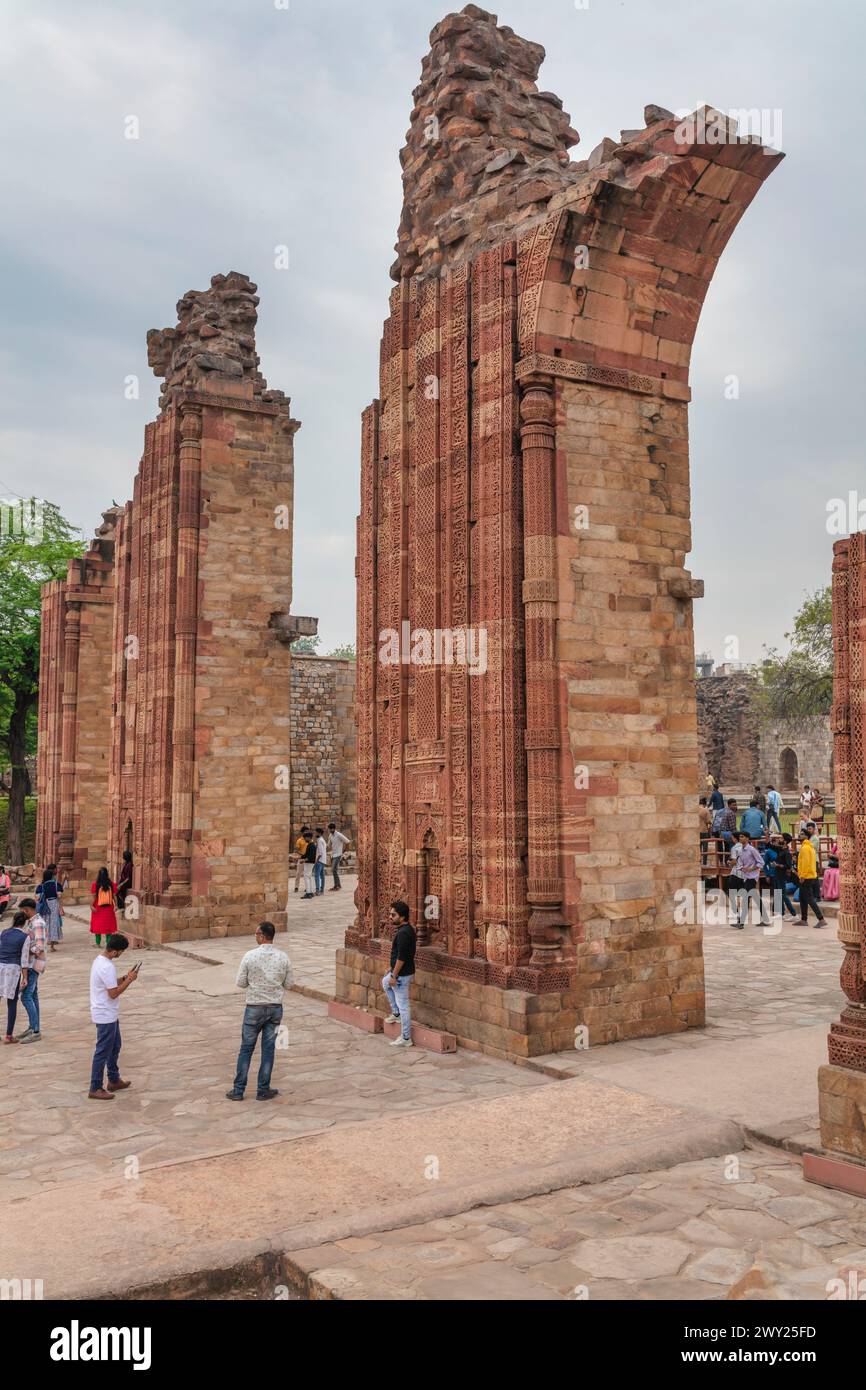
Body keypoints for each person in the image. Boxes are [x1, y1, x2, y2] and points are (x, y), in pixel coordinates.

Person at [226, 922, 292, 1102]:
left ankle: (238, 1090)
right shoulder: (283, 957)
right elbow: (289, 984)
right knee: (268, 1049)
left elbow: (240, 982)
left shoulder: (249, 956)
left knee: (246, 1049)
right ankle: (263, 1089)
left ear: (262, 936)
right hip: (274, 1007)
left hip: (254, 1007)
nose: (255, 936)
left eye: (256, 933)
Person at [89, 933, 139, 1099]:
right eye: (121, 952)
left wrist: (124, 978)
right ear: (115, 951)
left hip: (107, 1012)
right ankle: (95, 1086)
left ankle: (114, 1079)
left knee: (115, 1045)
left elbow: (110, 983)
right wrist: (129, 981)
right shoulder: (107, 966)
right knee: (102, 1051)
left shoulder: (99, 961)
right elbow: (113, 993)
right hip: (105, 1013)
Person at [382, 900, 416, 1048]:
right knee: (384, 982)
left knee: (404, 1006)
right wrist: (391, 970)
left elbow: (402, 957)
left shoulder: (403, 934)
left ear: (402, 917)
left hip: (402, 974)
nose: (390, 917)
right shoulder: (407, 929)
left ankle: (406, 1037)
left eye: (393, 914)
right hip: (402, 971)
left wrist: (394, 976)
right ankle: (396, 1013)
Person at [16, 897, 46, 1042]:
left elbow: (39, 948)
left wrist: (26, 947)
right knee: (33, 996)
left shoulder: (38, 924)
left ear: (27, 910)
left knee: (26, 996)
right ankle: (34, 1027)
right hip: (31, 963)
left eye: (23, 911)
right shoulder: (32, 923)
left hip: (34, 964)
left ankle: (35, 1031)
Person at [0, 910, 30, 1044]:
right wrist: (25, 977)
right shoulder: (25, 937)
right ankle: (8, 1035)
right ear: (24, 923)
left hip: (0, 965)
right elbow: (24, 960)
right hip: (13, 969)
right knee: (12, 1002)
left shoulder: (4, 932)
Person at [797, 829, 825, 927]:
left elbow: (805, 864)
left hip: (806, 876)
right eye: (800, 833)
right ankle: (804, 920)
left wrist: (802, 876)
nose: (799, 835)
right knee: (802, 898)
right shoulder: (809, 847)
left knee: (809, 898)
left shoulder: (805, 848)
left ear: (806, 837)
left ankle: (821, 919)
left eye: (802, 834)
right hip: (810, 875)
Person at [768, 836, 797, 920]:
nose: (779, 839)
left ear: (785, 841)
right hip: (777, 874)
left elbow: (788, 865)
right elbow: (769, 845)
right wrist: (767, 835)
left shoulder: (787, 852)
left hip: (781, 875)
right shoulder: (780, 849)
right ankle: (782, 913)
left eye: (781, 838)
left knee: (783, 894)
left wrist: (777, 865)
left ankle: (794, 914)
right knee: (778, 893)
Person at [37, 863, 64, 951]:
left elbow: (37, 897)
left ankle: (43, 944)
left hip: (45, 905)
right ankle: (52, 946)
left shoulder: (41, 886)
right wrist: (60, 907)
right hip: (53, 904)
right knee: (53, 924)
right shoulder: (56, 885)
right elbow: (59, 896)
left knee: (44, 923)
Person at [90, 867, 118, 947]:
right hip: (109, 908)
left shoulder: (95, 885)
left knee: (97, 925)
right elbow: (114, 896)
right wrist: (116, 905)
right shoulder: (112, 884)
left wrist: (91, 905)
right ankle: (108, 943)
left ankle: (98, 943)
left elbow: (94, 897)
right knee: (108, 925)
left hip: (98, 907)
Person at [327, 822, 350, 891]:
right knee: (334, 870)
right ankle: (337, 885)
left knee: (334, 870)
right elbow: (328, 845)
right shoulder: (330, 835)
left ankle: (338, 885)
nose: (330, 830)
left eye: (331, 829)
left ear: (334, 828)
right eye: (329, 829)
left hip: (338, 854)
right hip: (333, 854)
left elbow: (347, 841)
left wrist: (344, 850)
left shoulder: (339, 835)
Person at [293, 825, 310, 894]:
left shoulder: (310, 839)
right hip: (301, 858)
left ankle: (307, 887)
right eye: (305, 831)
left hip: (308, 859)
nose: (307, 833)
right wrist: (302, 855)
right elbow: (296, 850)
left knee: (307, 874)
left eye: (307, 831)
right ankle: (296, 887)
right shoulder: (299, 840)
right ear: (302, 832)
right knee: (298, 873)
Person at [301, 831, 316, 899]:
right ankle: (310, 892)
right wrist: (299, 856)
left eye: (305, 838)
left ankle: (308, 893)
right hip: (310, 863)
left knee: (306, 877)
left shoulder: (312, 845)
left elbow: (311, 856)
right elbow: (306, 855)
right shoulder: (310, 845)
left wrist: (304, 860)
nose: (304, 839)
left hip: (309, 863)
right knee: (309, 877)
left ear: (309, 837)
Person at [314, 827, 328, 896]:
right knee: (322, 876)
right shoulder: (322, 840)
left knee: (317, 876)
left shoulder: (319, 840)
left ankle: (318, 890)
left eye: (316, 832)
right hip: (323, 860)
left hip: (319, 860)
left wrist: (317, 860)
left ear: (319, 833)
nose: (315, 833)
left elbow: (320, 852)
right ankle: (321, 890)